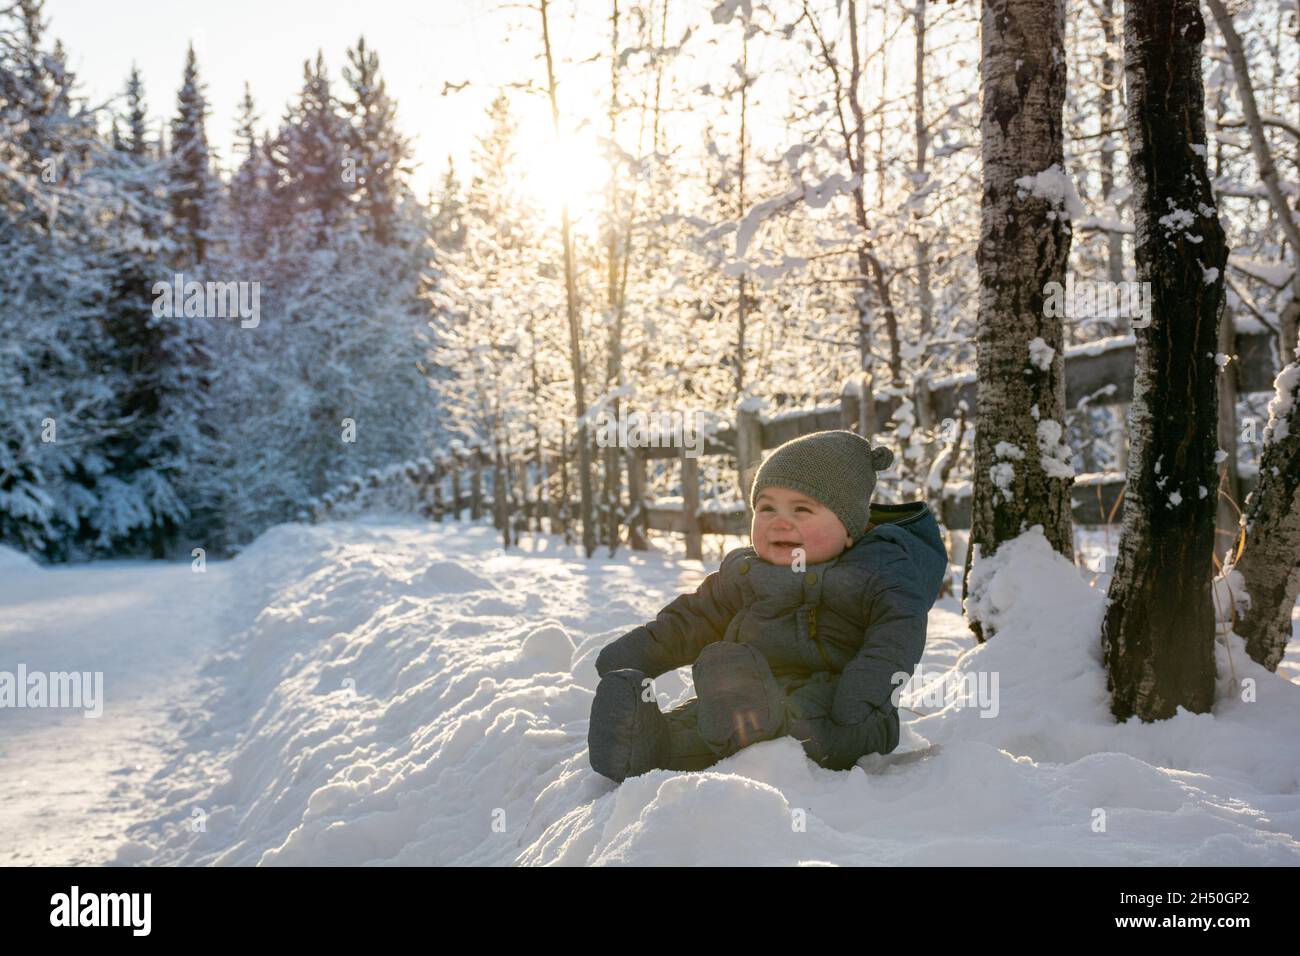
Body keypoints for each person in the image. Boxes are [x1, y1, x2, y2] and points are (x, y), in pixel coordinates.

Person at [587, 428, 948, 782]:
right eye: (766, 507)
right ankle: (644, 746)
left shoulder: (879, 570)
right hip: (736, 694)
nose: (780, 521)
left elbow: (895, 637)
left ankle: (749, 723)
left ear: (849, 527)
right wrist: (637, 653)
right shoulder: (744, 572)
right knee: (703, 717)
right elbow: (694, 618)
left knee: (793, 720)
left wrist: (859, 699)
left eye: (802, 508)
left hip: (841, 707)